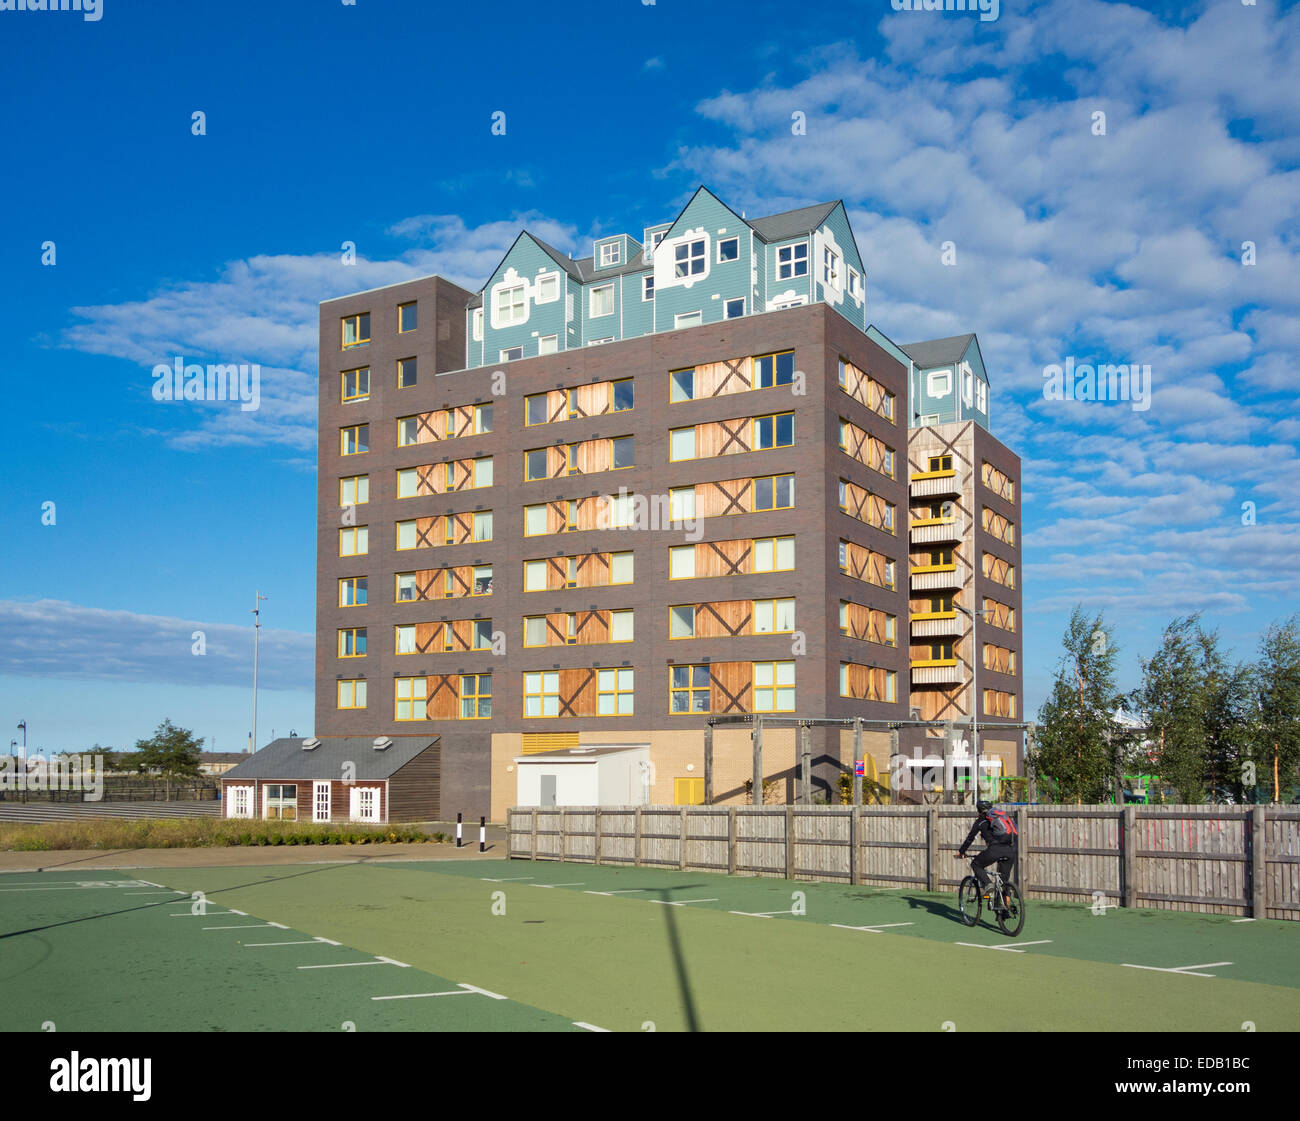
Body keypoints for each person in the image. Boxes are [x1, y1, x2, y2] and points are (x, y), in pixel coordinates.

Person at [954, 799, 1017, 911]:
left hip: (995, 850)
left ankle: (988, 884)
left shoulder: (980, 821)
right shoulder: (998, 818)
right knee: (1004, 880)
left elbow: (970, 838)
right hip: (1010, 850)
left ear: (978, 810)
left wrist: (961, 851)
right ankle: (1005, 902)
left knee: (976, 864)